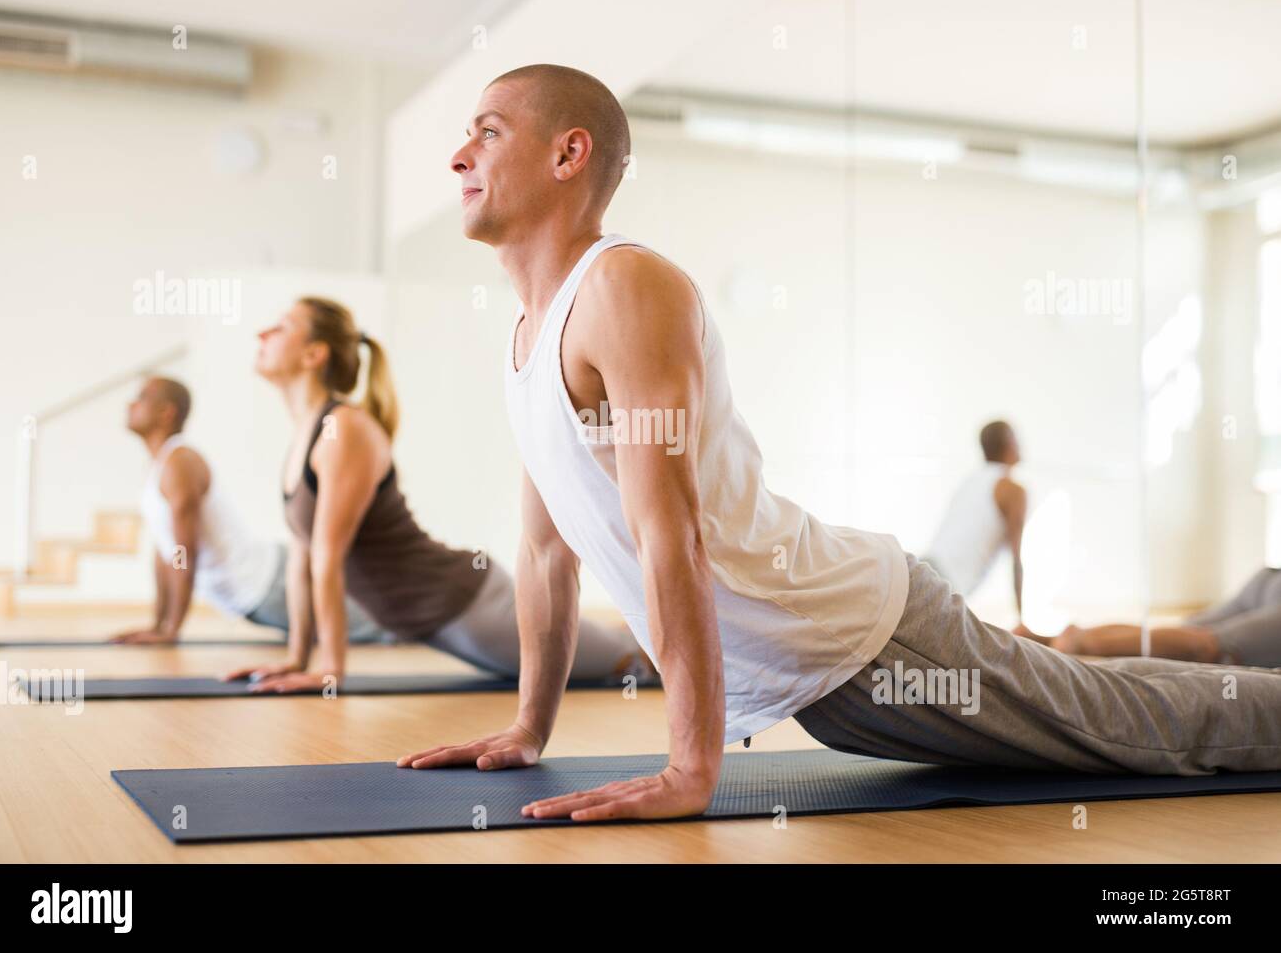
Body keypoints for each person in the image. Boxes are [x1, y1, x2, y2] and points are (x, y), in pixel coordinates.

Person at [397, 64, 1281, 822]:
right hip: (831, 676)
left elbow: (674, 534)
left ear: (567, 153)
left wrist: (692, 768)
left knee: (1133, 728)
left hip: (872, 639)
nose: (458, 154)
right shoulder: (528, 335)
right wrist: (529, 728)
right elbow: (547, 555)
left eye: (487, 131)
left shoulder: (622, 286)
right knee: (1119, 710)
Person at [228, 296, 655, 693]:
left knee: (629, 659)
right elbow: (302, 556)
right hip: (440, 618)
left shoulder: (346, 430)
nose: (261, 334)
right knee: (608, 648)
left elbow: (328, 558)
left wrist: (330, 671)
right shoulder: (309, 433)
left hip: (470, 606)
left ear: (313, 354)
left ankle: (679, 639)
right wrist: (296, 659)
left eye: (281, 326)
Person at [114, 376, 387, 644]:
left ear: (166, 412)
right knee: (374, 609)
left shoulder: (179, 463)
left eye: (141, 398)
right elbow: (165, 554)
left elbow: (184, 553)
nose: (130, 405)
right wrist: (158, 624)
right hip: (264, 583)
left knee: (382, 625)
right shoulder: (158, 466)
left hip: (270, 585)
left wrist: (171, 629)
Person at [1016, 566, 1281, 668]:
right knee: (1201, 643)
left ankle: (1059, 640)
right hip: (1270, 587)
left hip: (1269, 579)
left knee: (1189, 636)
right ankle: (1077, 643)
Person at [924, 420, 1027, 620]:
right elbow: (1016, 560)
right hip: (944, 583)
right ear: (1010, 444)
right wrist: (1021, 619)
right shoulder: (1013, 490)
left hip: (925, 567)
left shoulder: (971, 481)